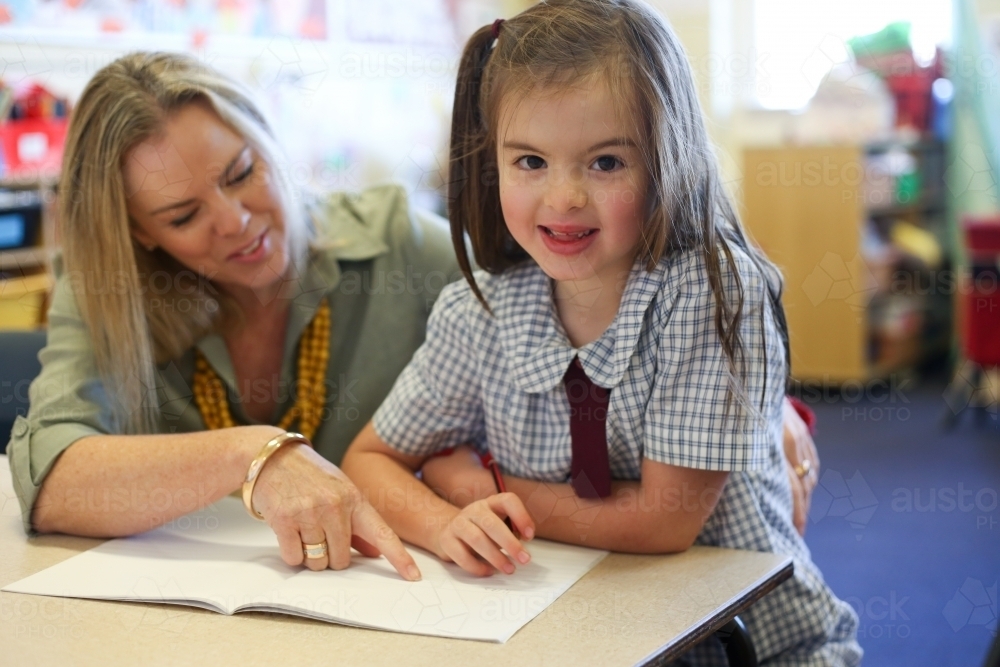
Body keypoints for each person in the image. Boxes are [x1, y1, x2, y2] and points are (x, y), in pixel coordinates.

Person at [7, 51, 817, 581]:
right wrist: (257, 457)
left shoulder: (396, 241)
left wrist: (763, 401)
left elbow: (563, 285)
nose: (235, 220)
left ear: (270, 139)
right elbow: (48, 476)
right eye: (182, 216)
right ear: (139, 238)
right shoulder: (108, 289)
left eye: (244, 172)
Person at [340, 1, 860, 665]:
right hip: (581, 635)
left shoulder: (708, 292)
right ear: (491, 161)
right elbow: (372, 458)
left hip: (752, 643)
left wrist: (482, 486)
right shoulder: (481, 312)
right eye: (530, 161)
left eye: (605, 163)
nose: (563, 199)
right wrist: (446, 521)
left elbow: (663, 519)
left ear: (667, 157)